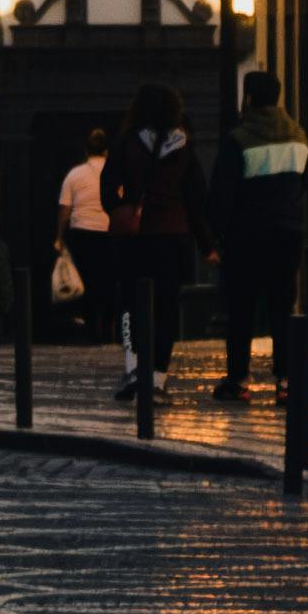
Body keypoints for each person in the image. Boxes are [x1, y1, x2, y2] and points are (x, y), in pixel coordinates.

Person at [217, 67, 308, 400]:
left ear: (249, 98)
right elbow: (304, 184)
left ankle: (239, 380)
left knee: (241, 308)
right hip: (288, 232)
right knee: (282, 306)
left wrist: (217, 236)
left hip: (247, 236)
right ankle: (285, 380)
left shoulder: (238, 139)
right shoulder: (298, 136)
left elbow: (223, 194)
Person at [118, 84, 196, 396]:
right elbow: (195, 193)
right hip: (173, 234)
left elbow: (109, 182)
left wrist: (120, 209)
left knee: (132, 306)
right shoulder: (184, 146)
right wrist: (205, 240)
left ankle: (135, 369)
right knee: (167, 308)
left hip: (138, 235)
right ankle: (159, 375)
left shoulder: (129, 143)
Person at [55, 133, 125, 376]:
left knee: (87, 280)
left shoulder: (75, 174)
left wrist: (59, 237)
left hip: (83, 233)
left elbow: (65, 208)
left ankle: (91, 326)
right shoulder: (116, 171)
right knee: (110, 279)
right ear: (106, 151)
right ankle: (110, 326)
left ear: (86, 151)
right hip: (110, 230)